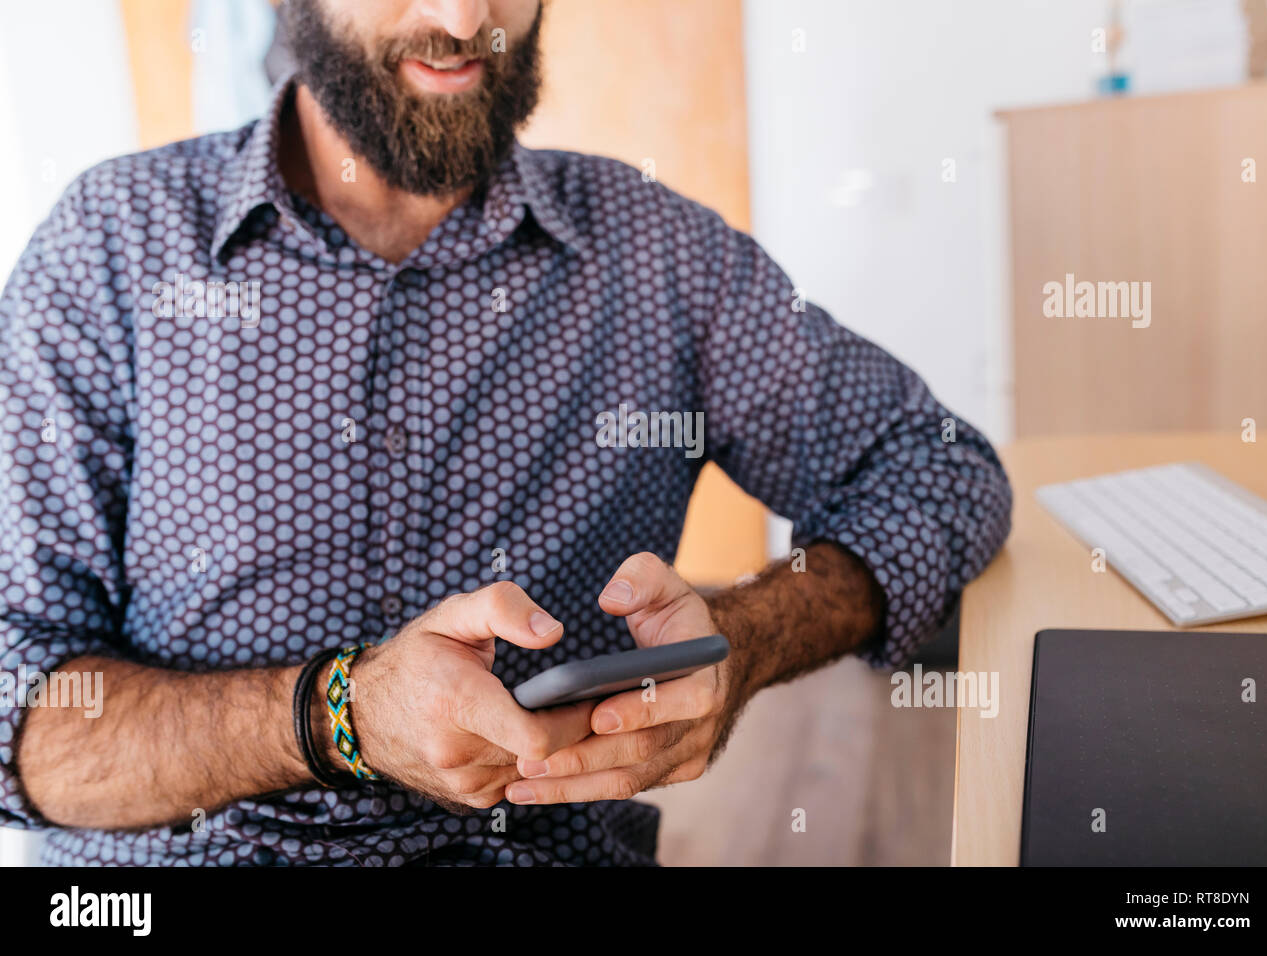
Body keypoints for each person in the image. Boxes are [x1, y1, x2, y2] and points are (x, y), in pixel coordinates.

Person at [0, 0, 1012, 866]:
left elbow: (942, 467)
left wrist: (744, 639)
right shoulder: (110, 251)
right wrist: (336, 715)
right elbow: (17, 708)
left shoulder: (653, 250)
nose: (462, 19)